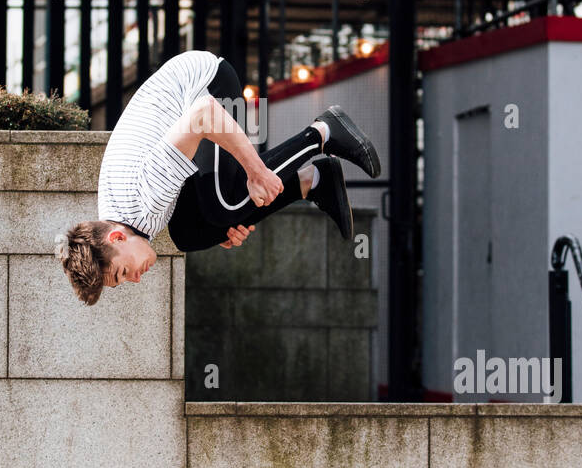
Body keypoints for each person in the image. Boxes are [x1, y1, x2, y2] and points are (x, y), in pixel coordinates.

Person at [56, 49, 380, 306]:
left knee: (224, 205)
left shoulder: (143, 202)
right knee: (192, 233)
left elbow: (203, 115)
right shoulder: (120, 216)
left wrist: (255, 172)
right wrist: (217, 229)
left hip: (207, 82)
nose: (136, 279)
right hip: (187, 104)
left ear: (116, 238)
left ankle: (323, 133)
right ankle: (312, 181)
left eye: (124, 272)